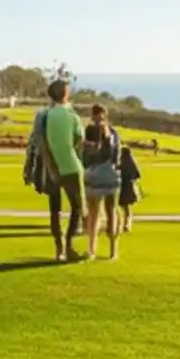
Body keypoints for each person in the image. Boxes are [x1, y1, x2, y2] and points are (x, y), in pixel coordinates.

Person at [37, 80, 86, 261]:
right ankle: (69, 246)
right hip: (71, 167)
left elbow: (42, 144)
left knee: (55, 210)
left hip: (52, 167)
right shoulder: (72, 116)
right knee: (77, 208)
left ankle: (59, 249)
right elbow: (79, 140)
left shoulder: (45, 115)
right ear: (65, 94)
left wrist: (51, 167)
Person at [82, 104, 122, 261]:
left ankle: (92, 249)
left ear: (92, 115)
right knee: (111, 212)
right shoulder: (113, 133)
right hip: (110, 175)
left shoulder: (89, 130)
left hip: (94, 174)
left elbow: (85, 155)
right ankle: (113, 251)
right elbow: (117, 156)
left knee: (93, 214)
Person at [119, 146, 142, 233]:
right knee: (126, 207)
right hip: (129, 186)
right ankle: (126, 224)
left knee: (122, 206)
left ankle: (124, 224)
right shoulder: (132, 164)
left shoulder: (120, 164)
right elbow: (138, 175)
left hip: (122, 186)